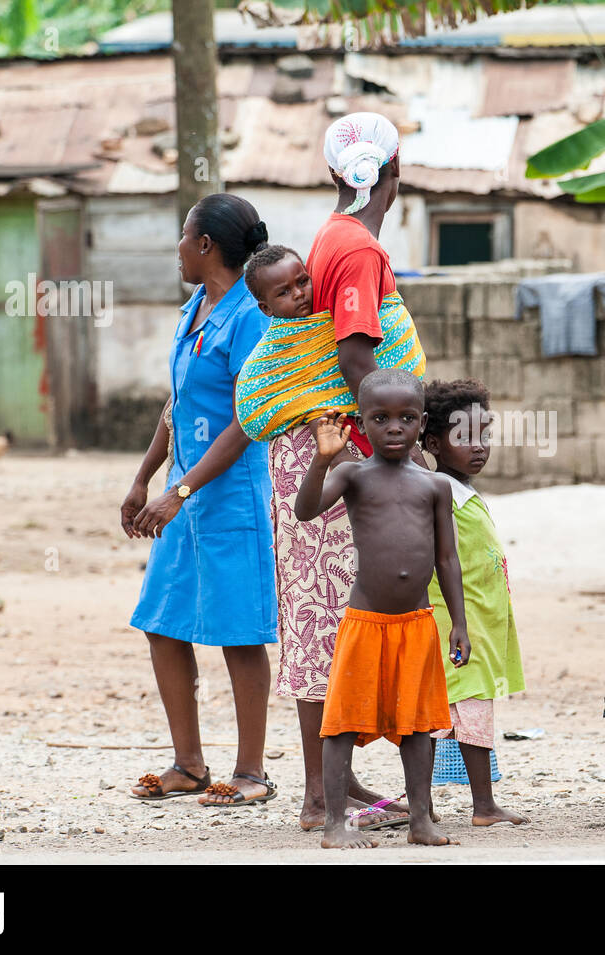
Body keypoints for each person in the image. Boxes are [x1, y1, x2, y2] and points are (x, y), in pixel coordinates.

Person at [267, 112, 418, 832]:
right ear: (397, 169)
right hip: (333, 450)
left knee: (318, 618)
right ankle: (318, 796)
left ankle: (332, 783)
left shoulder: (333, 234)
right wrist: (405, 457)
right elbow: (361, 362)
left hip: (321, 449)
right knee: (330, 619)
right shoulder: (356, 248)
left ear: (334, 173)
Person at [123, 193, 277, 807]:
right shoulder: (196, 307)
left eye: (184, 238)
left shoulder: (251, 316)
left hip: (230, 495)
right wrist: (144, 479)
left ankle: (251, 773)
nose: (179, 250)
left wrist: (179, 491)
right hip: (181, 494)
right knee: (162, 623)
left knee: (240, 633)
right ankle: (187, 764)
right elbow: (178, 401)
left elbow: (249, 418)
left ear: (205, 245)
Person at [294, 371, 471, 849]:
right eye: (380, 418)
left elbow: (447, 558)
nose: (394, 427)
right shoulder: (351, 474)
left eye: (406, 418)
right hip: (366, 622)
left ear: (422, 423)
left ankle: (421, 819)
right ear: (361, 423)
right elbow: (305, 511)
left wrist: (458, 622)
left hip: (416, 623)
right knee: (343, 722)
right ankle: (334, 825)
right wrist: (322, 459)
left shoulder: (434, 485)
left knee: (419, 725)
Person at [423, 379, 528, 827]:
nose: (479, 446)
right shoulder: (438, 492)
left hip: (480, 621)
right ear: (432, 443)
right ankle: (480, 805)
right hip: (454, 621)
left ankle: (443, 804)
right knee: (455, 711)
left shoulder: (463, 491)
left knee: (455, 709)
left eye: (484, 433)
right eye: (464, 436)